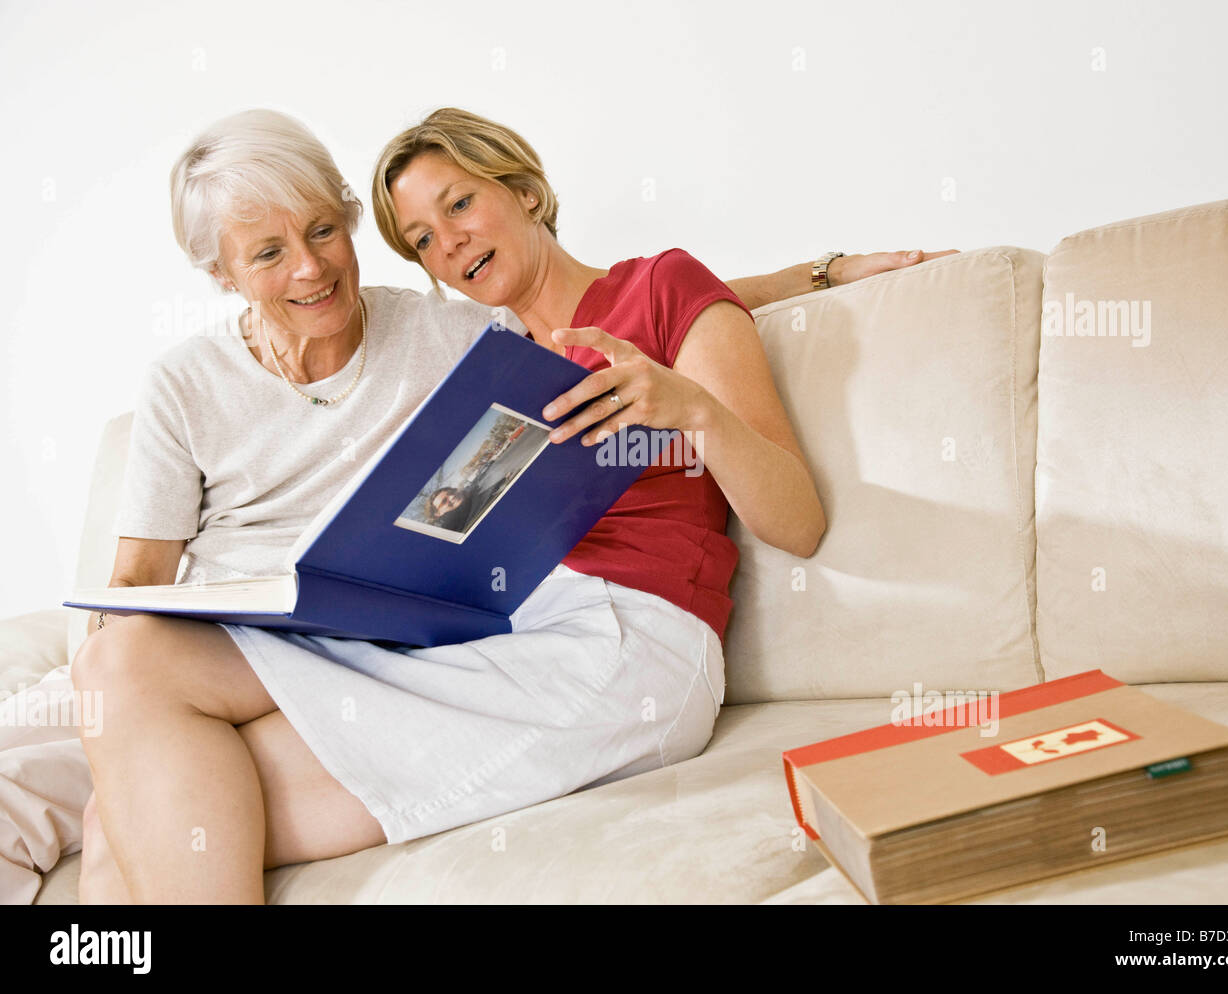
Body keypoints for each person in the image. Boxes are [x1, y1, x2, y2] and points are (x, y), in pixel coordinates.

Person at [0, 107, 956, 904]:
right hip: (485, 631)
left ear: (526, 191)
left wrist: (703, 392)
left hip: (626, 638)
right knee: (121, 770)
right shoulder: (475, 347)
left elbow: (798, 518)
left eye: (460, 203)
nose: (448, 240)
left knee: (134, 816)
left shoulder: (662, 290)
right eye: (421, 236)